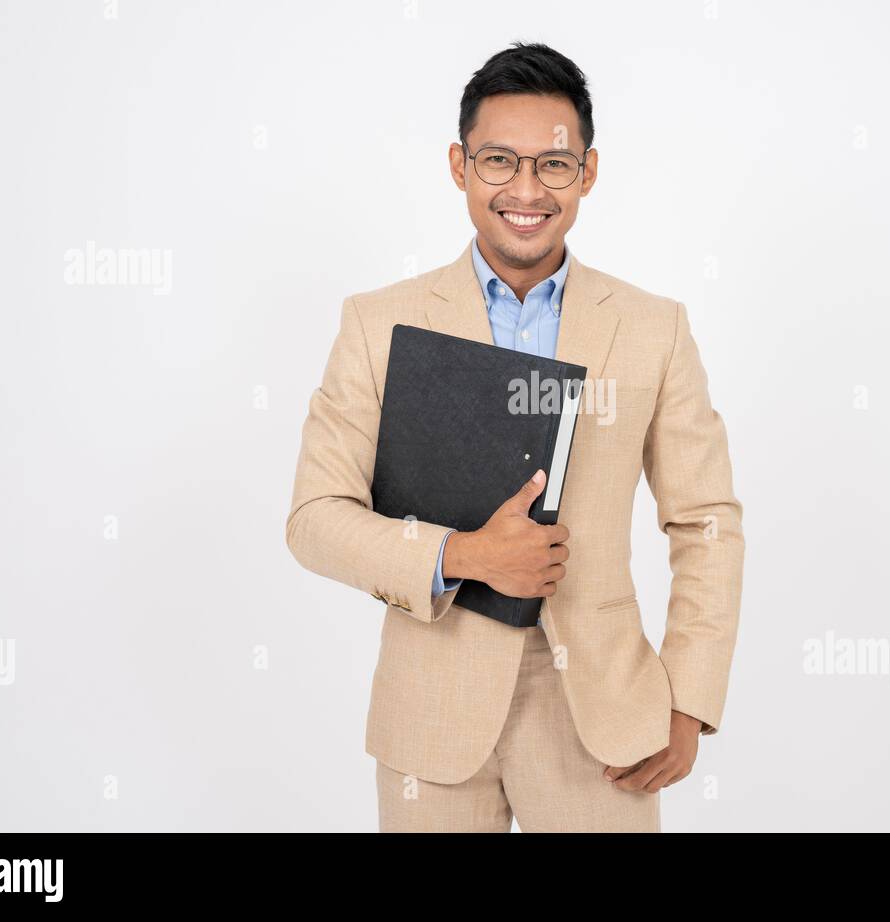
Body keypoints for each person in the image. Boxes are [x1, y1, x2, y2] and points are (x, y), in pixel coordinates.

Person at [286, 41, 744, 832]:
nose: (526, 190)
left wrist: (689, 699)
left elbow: (706, 522)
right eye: (499, 161)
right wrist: (461, 557)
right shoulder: (377, 323)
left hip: (603, 723)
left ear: (588, 173)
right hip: (430, 718)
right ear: (460, 166)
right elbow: (315, 519)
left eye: (554, 165)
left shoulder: (652, 329)